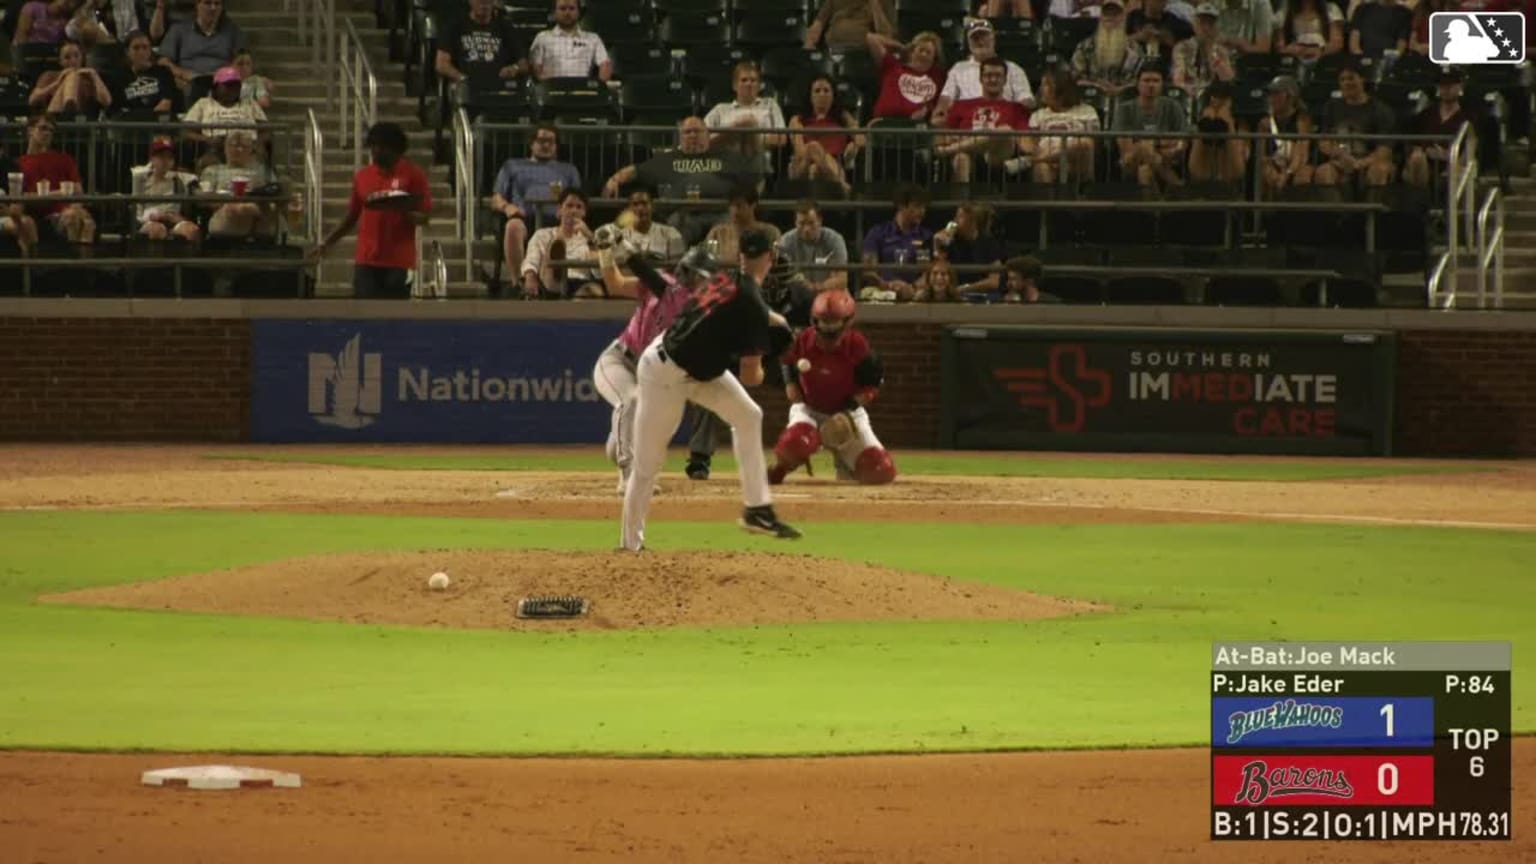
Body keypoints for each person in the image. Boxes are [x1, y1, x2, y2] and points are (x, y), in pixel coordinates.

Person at [621, 228, 801, 552]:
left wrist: (777, 325)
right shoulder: (752, 307)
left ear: (742, 256)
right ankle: (630, 546)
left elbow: (752, 309)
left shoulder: (727, 276)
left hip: (699, 370)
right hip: (664, 373)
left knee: (748, 415)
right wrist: (771, 356)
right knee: (648, 464)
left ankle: (757, 510)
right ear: (771, 258)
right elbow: (751, 376)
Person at [591, 236, 707, 494]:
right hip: (619, 360)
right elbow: (614, 283)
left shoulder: (687, 300)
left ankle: (624, 450)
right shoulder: (662, 286)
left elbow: (654, 279)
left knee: (632, 435)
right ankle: (628, 476)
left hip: (651, 374)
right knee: (629, 400)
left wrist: (622, 244)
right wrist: (605, 250)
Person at [767, 290, 896, 486]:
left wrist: (849, 408)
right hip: (810, 409)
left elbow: (873, 384)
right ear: (814, 320)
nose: (828, 328)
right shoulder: (803, 340)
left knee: (879, 471)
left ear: (847, 321)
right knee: (795, 442)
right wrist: (790, 383)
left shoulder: (858, 346)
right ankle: (781, 468)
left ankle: (846, 463)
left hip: (847, 413)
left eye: (833, 322)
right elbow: (787, 360)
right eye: (823, 321)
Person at [310, 122, 432, 299]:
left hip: (399, 261)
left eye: (381, 147)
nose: (376, 150)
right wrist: (327, 243)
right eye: (373, 145)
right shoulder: (363, 176)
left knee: (394, 316)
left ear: (396, 149)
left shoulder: (414, 175)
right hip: (366, 259)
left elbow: (424, 218)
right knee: (364, 315)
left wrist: (401, 209)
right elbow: (352, 216)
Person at [489, 122, 581, 294]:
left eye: (550, 141)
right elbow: (495, 198)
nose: (545, 145)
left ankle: (556, 288)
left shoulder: (568, 170)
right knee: (513, 226)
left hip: (557, 220)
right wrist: (508, 207)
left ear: (556, 145)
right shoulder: (513, 166)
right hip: (524, 217)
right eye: (541, 140)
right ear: (531, 143)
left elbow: (578, 199)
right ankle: (519, 284)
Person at [936, 56, 1030, 182]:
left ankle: (947, 151)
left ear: (1005, 80)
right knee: (960, 158)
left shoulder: (1016, 108)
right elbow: (944, 135)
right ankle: (960, 201)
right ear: (981, 79)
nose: (993, 79)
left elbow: (1024, 141)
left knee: (1005, 130)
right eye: (988, 75)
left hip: (998, 155)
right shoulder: (961, 105)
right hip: (969, 153)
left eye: (998, 75)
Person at [19, 113, 94, 244]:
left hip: (68, 212)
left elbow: (78, 192)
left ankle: (79, 262)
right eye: (43, 128)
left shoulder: (64, 159)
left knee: (84, 221)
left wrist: (75, 207)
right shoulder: (20, 164)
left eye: (51, 131)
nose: (47, 133)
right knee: (74, 218)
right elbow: (22, 197)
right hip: (43, 215)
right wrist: (56, 194)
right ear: (30, 130)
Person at [788, 75, 863, 194]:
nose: (822, 94)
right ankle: (842, 186)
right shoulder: (798, 120)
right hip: (803, 166)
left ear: (833, 95)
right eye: (817, 91)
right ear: (810, 96)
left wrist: (853, 146)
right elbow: (800, 152)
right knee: (813, 148)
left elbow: (861, 140)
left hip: (834, 165)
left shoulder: (843, 117)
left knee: (816, 169)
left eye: (826, 90)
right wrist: (815, 153)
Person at [521, 187, 602, 298]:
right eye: (569, 206)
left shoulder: (589, 239)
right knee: (554, 246)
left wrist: (589, 236)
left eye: (579, 207)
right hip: (548, 283)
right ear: (559, 210)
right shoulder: (542, 234)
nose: (574, 211)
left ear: (584, 213)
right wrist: (530, 278)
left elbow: (599, 271)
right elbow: (531, 260)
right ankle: (558, 251)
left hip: (580, 284)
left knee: (594, 290)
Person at [198, 130, 278, 238]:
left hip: (258, 210)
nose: (238, 149)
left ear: (251, 149)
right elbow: (204, 197)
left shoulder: (263, 172)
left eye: (244, 146)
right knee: (237, 208)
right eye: (234, 145)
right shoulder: (213, 170)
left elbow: (275, 193)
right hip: (224, 213)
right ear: (225, 148)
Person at [434, 0, 526, 91]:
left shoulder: (505, 28)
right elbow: (441, 64)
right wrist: (460, 78)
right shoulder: (455, 26)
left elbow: (524, 63)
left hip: (498, 87)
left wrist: (515, 68)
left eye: (487, 2)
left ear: (494, 3)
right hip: (466, 85)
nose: (484, 5)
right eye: (480, 1)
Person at [157, 0, 247, 87]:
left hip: (222, 84)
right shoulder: (179, 29)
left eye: (217, 4)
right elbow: (163, 62)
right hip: (188, 82)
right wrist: (182, 74)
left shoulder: (232, 30)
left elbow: (244, 60)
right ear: (197, 4)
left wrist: (225, 74)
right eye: (208, 3)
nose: (213, 8)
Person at [865, 30, 947, 122]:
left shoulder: (938, 77)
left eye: (928, 52)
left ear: (934, 58)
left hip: (917, 126)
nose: (923, 54)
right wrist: (901, 47)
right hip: (884, 123)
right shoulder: (893, 66)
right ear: (912, 51)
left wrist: (928, 113)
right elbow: (871, 38)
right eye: (921, 50)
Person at [1070, 0, 1146, 98]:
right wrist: (1097, 86)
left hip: (1124, 100)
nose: (1110, 17)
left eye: (1115, 14)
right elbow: (1075, 77)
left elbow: (1140, 80)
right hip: (1091, 99)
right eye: (1106, 14)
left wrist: (1119, 89)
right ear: (1101, 17)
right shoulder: (1085, 47)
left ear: (1123, 17)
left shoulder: (1134, 49)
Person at [775, 200, 849, 295]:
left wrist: (814, 287)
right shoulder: (786, 241)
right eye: (801, 223)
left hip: (829, 295)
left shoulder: (835, 240)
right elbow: (781, 278)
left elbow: (841, 280)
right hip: (797, 296)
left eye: (811, 223)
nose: (806, 229)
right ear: (795, 223)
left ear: (820, 221)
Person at [527, 0, 610, 81]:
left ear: (578, 12)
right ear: (555, 12)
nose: (567, 13)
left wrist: (599, 87)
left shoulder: (593, 39)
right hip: (551, 90)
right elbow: (535, 67)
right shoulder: (542, 38)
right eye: (562, 9)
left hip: (583, 90)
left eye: (571, 8)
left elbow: (605, 64)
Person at [136, 135, 199, 241]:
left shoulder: (182, 179)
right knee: (156, 230)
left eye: (169, 157)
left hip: (173, 220)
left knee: (191, 230)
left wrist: (171, 218)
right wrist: (151, 217)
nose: (165, 161)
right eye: (161, 156)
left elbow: (196, 192)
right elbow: (137, 213)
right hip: (149, 221)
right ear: (152, 159)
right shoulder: (140, 180)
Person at [600, 185, 685, 262]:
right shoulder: (618, 235)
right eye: (635, 204)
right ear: (629, 209)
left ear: (652, 207)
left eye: (644, 203)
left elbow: (677, 270)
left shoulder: (670, 233)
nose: (640, 208)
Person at [28, 38, 111, 115]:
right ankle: (69, 111)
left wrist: (94, 75)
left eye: (76, 56)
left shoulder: (89, 76)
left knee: (72, 76)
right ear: (60, 61)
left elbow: (107, 102)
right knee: (71, 76)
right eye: (67, 57)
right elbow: (32, 100)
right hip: (54, 117)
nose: (73, 61)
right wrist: (57, 83)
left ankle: (70, 112)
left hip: (81, 120)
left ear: (82, 57)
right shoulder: (50, 75)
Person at [113, 29, 176, 115]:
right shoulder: (120, 76)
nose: (141, 52)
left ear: (150, 50)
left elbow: (165, 104)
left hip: (157, 122)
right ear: (127, 52)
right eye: (136, 48)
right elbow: (120, 109)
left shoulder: (163, 72)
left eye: (145, 47)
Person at [804, 0, 896, 53]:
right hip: (833, 49)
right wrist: (809, 44)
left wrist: (875, 4)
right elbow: (818, 24)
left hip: (865, 53)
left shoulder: (883, 2)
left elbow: (887, 35)